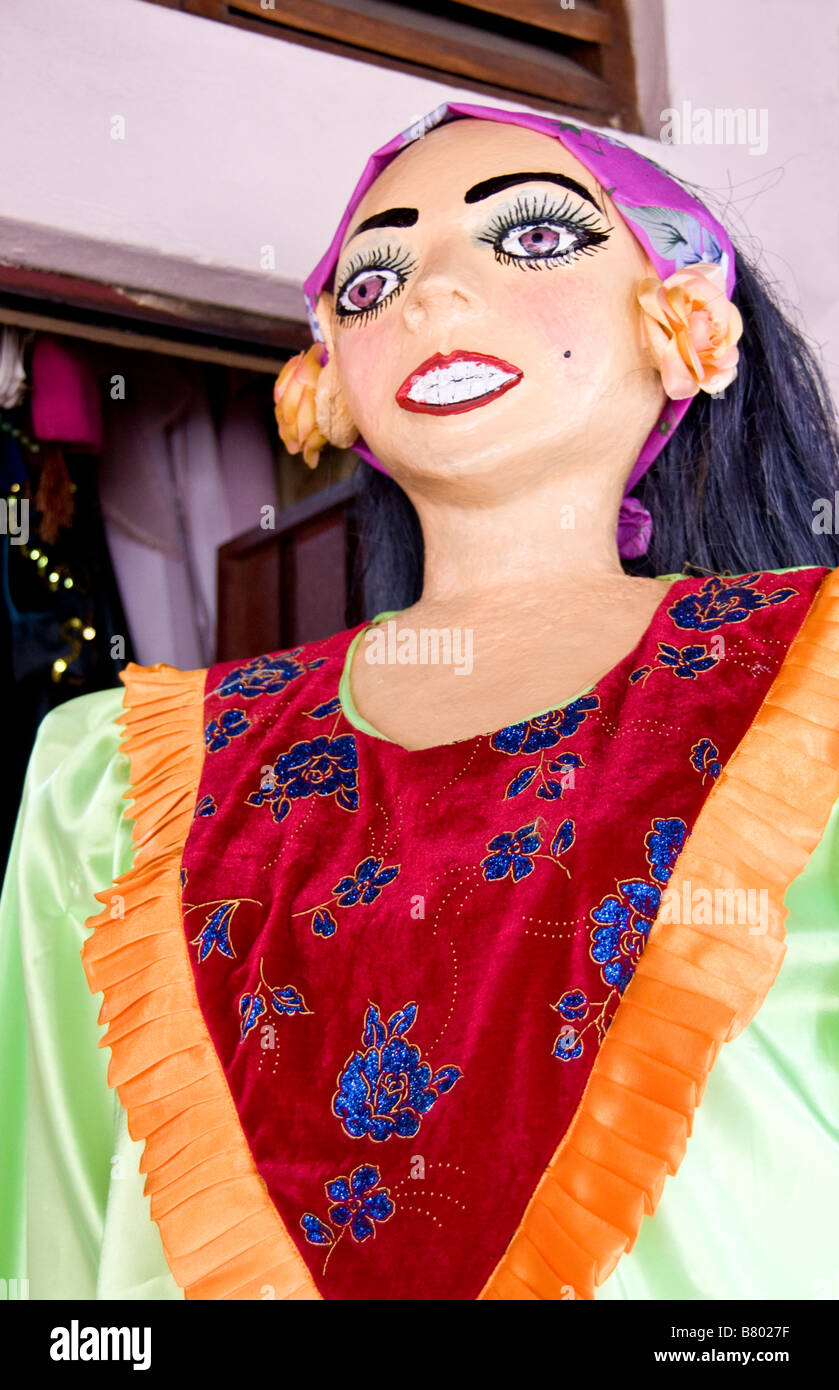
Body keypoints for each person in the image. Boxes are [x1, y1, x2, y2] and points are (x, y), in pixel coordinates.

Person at [2, 100, 839, 1302]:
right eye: (371, 275)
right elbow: (51, 1241)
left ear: (684, 321)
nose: (426, 294)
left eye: (535, 238)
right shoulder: (109, 777)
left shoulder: (810, 682)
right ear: (327, 376)